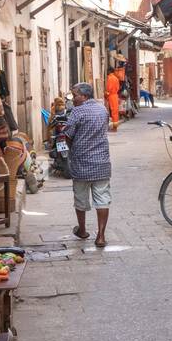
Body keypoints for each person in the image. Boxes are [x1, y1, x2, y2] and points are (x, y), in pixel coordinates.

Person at [64, 81, 112, 247]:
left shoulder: (77, 112)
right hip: (101, 163)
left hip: (81, 163)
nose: (73, 99)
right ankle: (101, 236)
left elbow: (68, 136)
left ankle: (82, 230)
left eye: (75, 95)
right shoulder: (102, 109)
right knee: (102, 198)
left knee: (81, 199)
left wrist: (74, 148)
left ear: (84, 96)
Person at [105, 63, 122, 131]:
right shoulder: (116, 78)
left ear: (109, 71)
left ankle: (114, 128)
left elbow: (109, 88)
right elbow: (118, 87)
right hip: (115, 95)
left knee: (113, 111)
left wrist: (106, 95)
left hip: (111, 96)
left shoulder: (110, 78)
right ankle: (115, 126)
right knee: (115, 111)